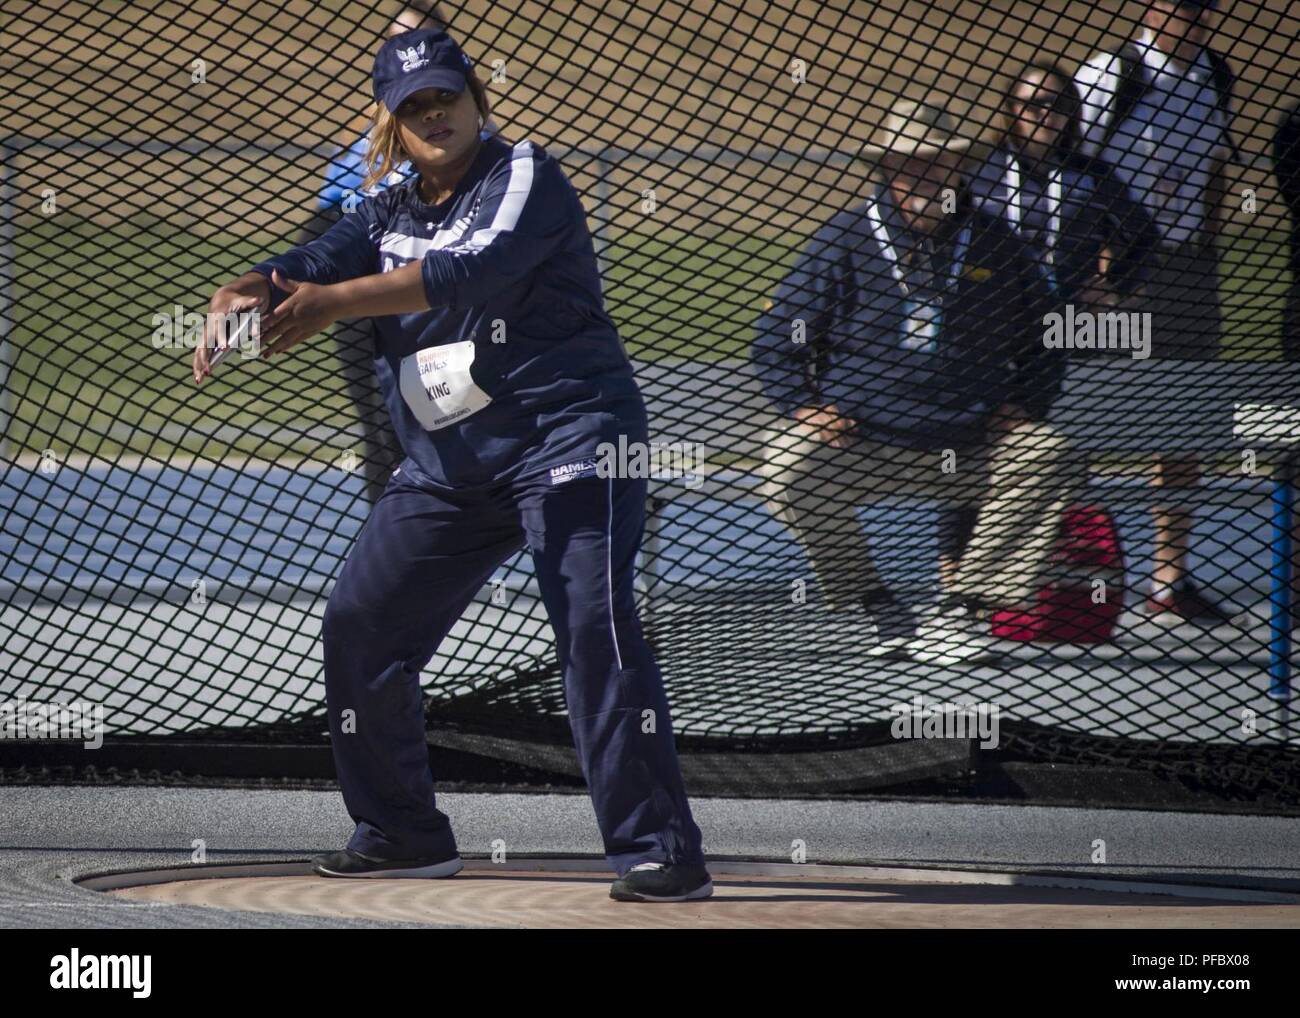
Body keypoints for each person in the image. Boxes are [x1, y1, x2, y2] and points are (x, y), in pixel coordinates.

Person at [193, 26, 711, 903]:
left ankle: (659, 848)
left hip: (571, 439)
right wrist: (257, 283)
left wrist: (331, 306)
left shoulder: (527, 175)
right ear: (392, 125)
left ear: (477, 101)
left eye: (446, 97)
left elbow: (480, 266)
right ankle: (402, 832)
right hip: (452, 464)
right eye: (414, 106)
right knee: (361, 622)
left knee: (593, 623)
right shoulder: (388, 203)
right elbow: (322, 256)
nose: (434, 114)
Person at [749, 96, 1083, 665]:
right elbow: (778, 337)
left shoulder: (995, 242)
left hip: (974, 442)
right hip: (864, 442)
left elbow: (1048, 337)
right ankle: (878, 605)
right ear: (885, 171)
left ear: (960, 169)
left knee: (1048, 452)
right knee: (784, 467)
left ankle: (963, 611)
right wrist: (803, 409)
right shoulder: (845, 237)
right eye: (907, 164)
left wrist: (1026, 404)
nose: (922, 174)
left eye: (936, 162)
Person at [938, 62, 1159, 595]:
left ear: (1073, 114)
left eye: (1057, 105)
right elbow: (946, 236)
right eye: (1032, 104)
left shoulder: (1092, 174)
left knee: (1042, 452)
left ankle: (1021, 583)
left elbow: (1144, 238)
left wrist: (1113, 289)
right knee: (967, 443)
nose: (1045, 116)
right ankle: (952, 585)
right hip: (988, 327)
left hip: (1064, 331)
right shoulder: (984, 172)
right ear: (1011, 111)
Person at [1075, 0, 1239, 626]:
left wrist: (1206, 247)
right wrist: (1095, 257)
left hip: (1188, 272)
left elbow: (1217, 166)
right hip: (1112, 273)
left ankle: (1168, 582)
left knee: (1186, 419)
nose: (1196, 15)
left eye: (1205, 5)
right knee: (1079, 416)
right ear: (1149, 8)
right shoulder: (1107, 76)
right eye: (1182, 4)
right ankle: (1062, 566)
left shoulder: (1215, 76)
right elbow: (1074, 166)